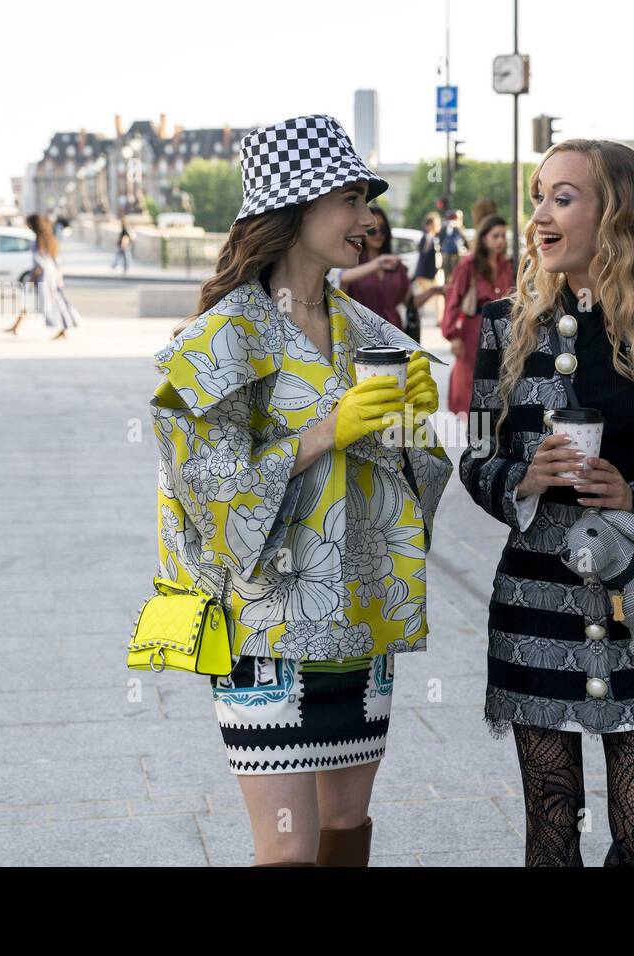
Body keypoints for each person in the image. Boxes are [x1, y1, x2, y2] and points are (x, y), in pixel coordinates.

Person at [151, 114, 452, 867]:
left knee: (348, 834)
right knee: (287, 851)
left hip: (360, 615)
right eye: (349, 199)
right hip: (264, 631)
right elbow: (200, 494)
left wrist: (415, 425)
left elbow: (413, 492)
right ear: (293, 208)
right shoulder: (218, 340)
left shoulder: (374, 334)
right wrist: (324, 429)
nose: (368, 218)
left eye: (367, 199)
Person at [460, 139, 634, 866]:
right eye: (538, 196)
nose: (539, 216)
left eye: (563, 197)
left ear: (616, 213)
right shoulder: (499, 325)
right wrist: (522, 478)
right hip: (534, 609)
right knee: (550, 838)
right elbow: (476, 455)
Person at [440, 214, 514, 419]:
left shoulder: (506, 264)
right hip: (474, 327)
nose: (500, 241)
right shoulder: (468, 265)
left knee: (497, 378)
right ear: (484, 238)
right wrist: (453, 335)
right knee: (470, 380)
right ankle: (473, 431)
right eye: (495, 236)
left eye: (503, 236)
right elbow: (453, 300)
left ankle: (492, 427)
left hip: (502, 328)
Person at [3, 214, 81, 340]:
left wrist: (33, 278)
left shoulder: (39, 241)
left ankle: (63, 328)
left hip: (43, 277)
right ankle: (16, 326)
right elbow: (55, 260)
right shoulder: (49, 239)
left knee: (42, 301)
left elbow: (41, 262)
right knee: (49, 301)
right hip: (51, 275)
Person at [333, 204, 409, 328]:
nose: (378, 234)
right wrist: (378, 263)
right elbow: (341, 278)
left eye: (383, 229)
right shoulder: (352, 261)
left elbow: (410, 301)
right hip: (363, 330)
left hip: (394, 332)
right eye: (372, 230)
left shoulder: (395, 264)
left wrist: (434, 291)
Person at [440, 209, 468, 279]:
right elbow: (465, 240)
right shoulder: (458, 227)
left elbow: (440, 239)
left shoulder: (445, 226)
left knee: (447, 275)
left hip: (446, 254)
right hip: (456, 254)